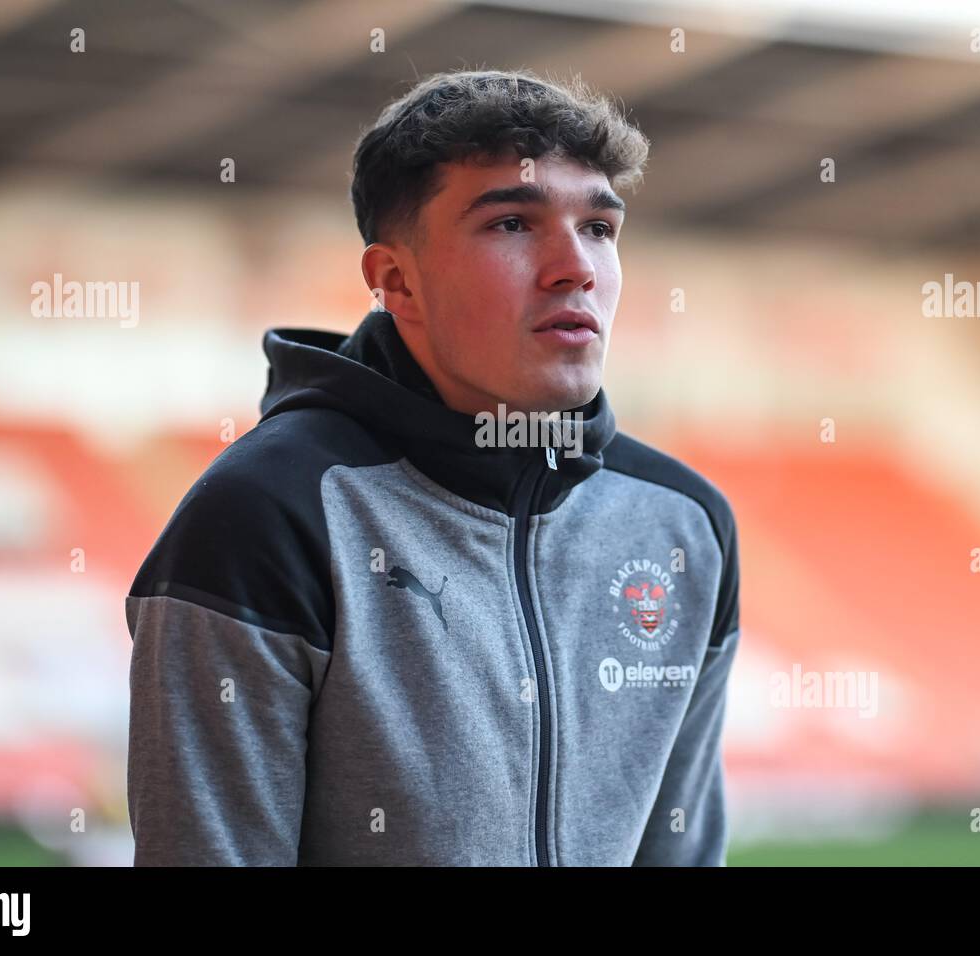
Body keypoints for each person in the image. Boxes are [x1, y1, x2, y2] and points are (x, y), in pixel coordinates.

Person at [125, 68, 741, 866]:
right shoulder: (268, 513)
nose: (575, 267)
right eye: (513, 224)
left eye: (598, 227)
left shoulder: (680, 523)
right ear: (395, 280)